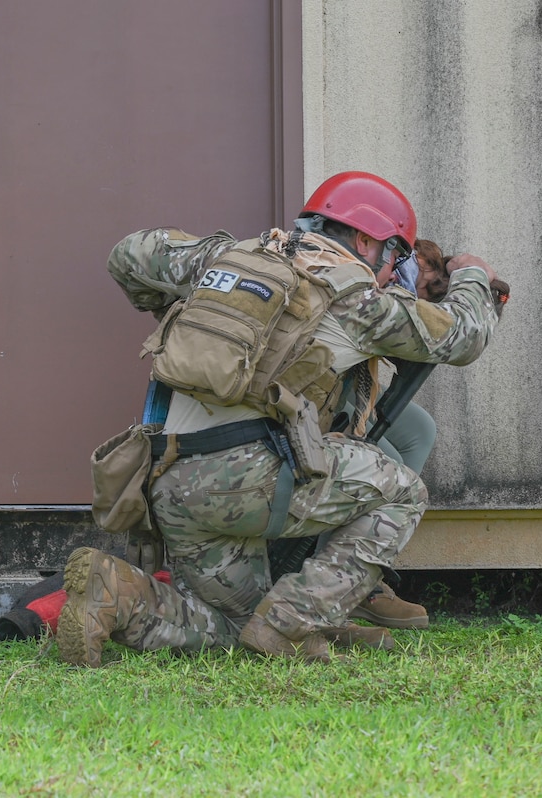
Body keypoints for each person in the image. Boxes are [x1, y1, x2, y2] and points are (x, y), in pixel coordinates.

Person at [59, 171, 503, 665]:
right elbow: (465, 335)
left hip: (164, 480)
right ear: (365, 240)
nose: (392, 270)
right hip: (247, 477)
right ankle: (293, 621)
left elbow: (128, 254)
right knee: (402, 491)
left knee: (233, 627)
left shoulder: (226, 256)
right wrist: (472, 273)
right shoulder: (355, 295)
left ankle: (116, 591)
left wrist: (176, 306)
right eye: (395, 256)